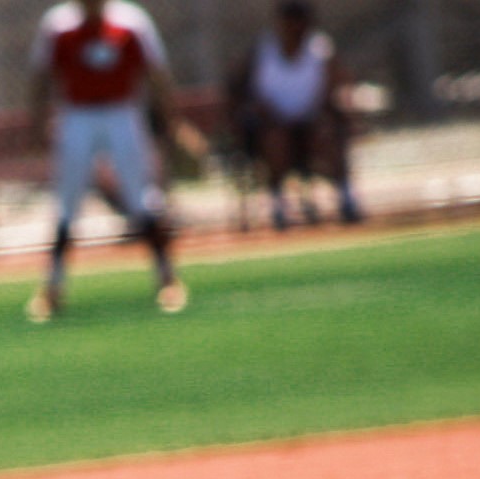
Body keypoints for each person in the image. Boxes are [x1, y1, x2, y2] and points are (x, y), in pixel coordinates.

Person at [26, 0, 191, 322]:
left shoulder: (130, 21)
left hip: (121, 112)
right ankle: (52, 287)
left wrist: (173, 124)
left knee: (141, 196)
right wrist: (36, 124)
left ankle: (167, 278)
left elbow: (156, 73)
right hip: (77, 114)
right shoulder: (58, 25)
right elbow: (40, 77)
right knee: (66, 202)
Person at [229, 0, 362, 229]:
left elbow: (337, 87)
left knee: (328, 133)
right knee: (275, 138)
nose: (295, 29)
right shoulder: (262, 52)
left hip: (311, 122)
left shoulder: (321, 50)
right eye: (290, 23)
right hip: (273, 123)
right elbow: (240, 90)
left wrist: (338, 111)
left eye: (300, 23)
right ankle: (279, 203)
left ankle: (345, 196)